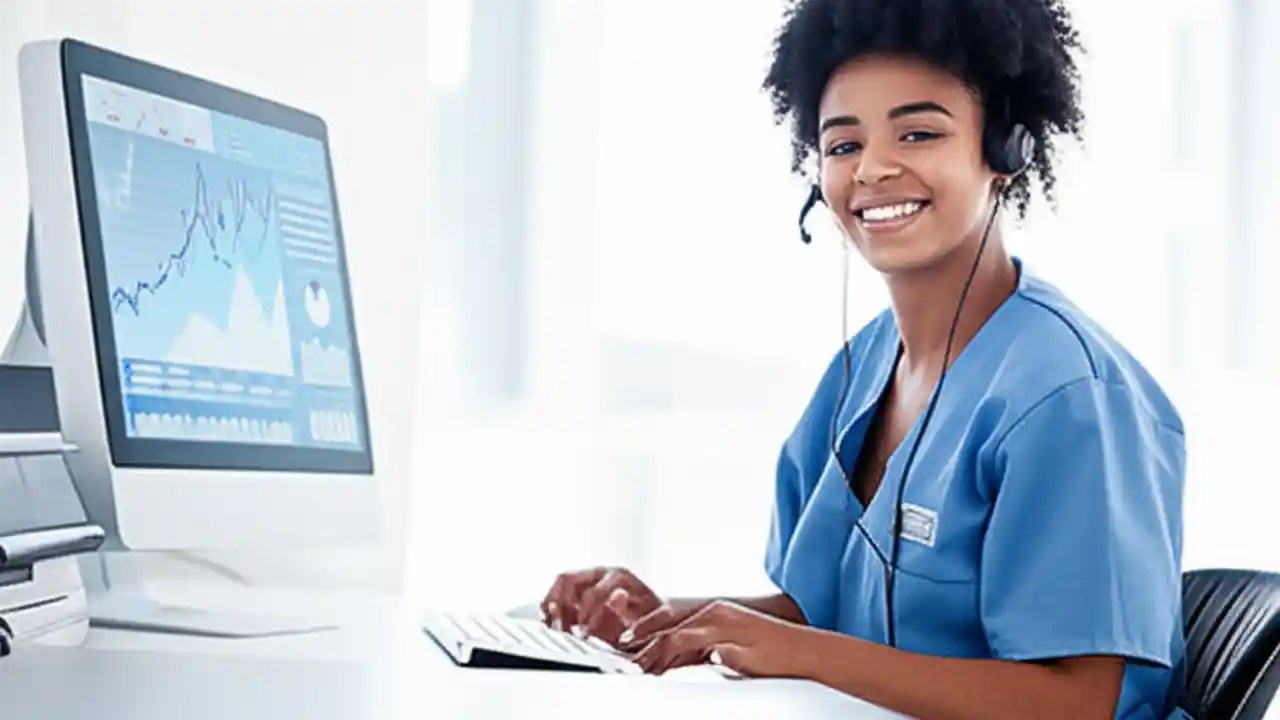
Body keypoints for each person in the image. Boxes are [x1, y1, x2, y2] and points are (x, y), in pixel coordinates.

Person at [541, 1, 1189, 718]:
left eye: (918, 133)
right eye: (843, 145)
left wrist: (794, 649)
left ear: (1005, 152)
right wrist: (664, 619)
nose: (874, 168)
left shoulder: (1067, 394)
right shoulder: (864, 366)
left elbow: (1078, 702)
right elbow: (822, 612)